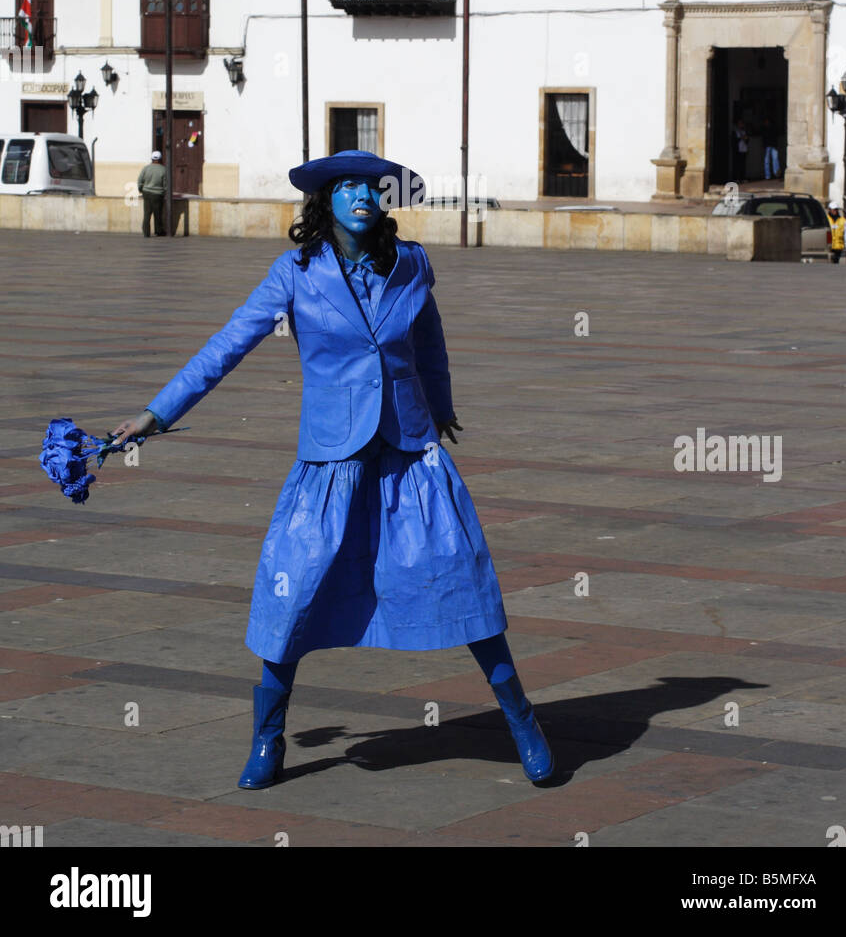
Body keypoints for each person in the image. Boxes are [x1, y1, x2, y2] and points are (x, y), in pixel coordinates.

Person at [110, 149, 555, 790]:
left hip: (410, 456)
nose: (361, 195)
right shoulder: (294, 274)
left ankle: (523, 724)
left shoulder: (412, 265)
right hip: (329, 462)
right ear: (326, 201)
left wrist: (443, 405)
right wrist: (156, 414)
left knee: (462, 580)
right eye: (346, 186)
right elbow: (227, 345)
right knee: (292, 589)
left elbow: (428, 340)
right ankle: (268, 739)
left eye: (371, 186)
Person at [137, 151, 167, 237]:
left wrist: (141, 190)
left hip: (146, 193)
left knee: (147, 213)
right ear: (160, 159)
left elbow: (140, 181)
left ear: (152, 159)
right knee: (157, 214)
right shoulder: (163, 169)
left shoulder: (146, 168)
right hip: (158, 194)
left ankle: (146, 232)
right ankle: (158, 231)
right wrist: (164, 192)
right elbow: (165, 184)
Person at [761, 116, 781, 181]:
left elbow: (776, 135)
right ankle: (768, 176)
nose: (766, 123)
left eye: (767, 121)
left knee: (775, 160)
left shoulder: (773, 128)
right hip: (767, 146)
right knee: (767, 161)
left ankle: (776, 174)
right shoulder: (764, 129)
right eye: (765, 122)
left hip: (773, 145)